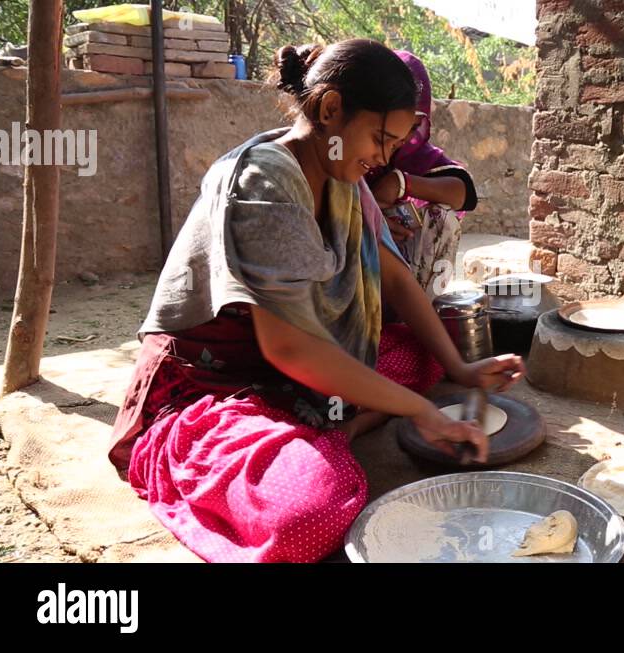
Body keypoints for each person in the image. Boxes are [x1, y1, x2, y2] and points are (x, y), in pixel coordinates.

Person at [107, 39, 524, 563]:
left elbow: (394, 277)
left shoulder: (340, 172)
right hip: (216, 383)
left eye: (393, 146)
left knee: (416, 354)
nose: (383, 157)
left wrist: (460, 369)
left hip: (289, 368)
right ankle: (312, 433)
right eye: (379, 138)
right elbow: (290, 350)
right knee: (315, 509)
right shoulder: (263, 183)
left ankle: (332, 421)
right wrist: (422, 411)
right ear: (330, 109)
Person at [365, 51, 477, 296]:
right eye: (388, 132)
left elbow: (463, 192)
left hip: (400, 280)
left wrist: (400, 181)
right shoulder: (348, 154)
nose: (402, 137)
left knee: (442, 217)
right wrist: (369, 221)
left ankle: (416, 315)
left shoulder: (418, 155)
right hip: (353, 271)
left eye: (413, 126)